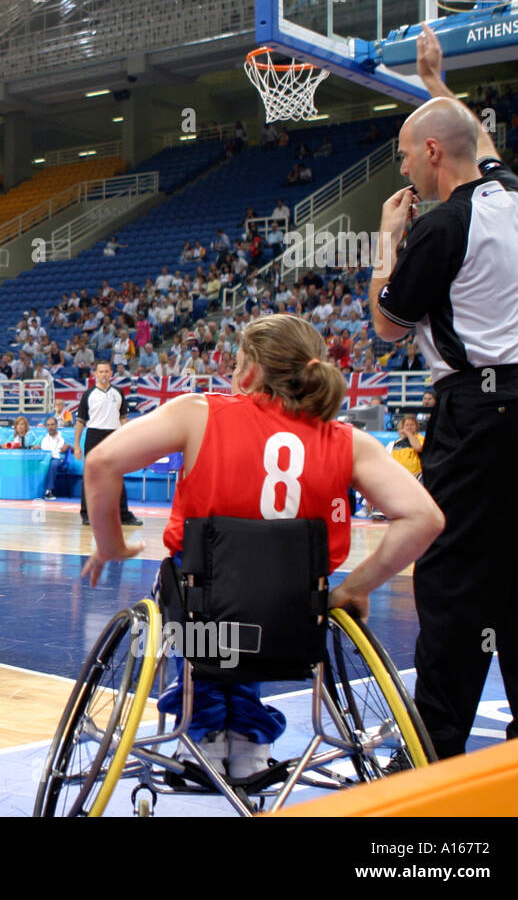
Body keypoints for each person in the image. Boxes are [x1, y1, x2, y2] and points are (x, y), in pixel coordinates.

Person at [81, 314, 444, 778]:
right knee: (258, 601)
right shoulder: (350, 442)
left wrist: (110, 544)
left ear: (250, 370)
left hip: (202, 616)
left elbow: (101, 462)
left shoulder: (199, 413)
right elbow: (425, 518)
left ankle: (204, 729)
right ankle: (250, 737)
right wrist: (356, 585)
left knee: (202, 592)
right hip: (291, 623)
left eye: (236, 362)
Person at [368, 23, 518, 758]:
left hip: (480, 414)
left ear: (432, 154)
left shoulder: (441, 228)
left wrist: (384, 242)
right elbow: (479, 140)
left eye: (406, 152)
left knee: (452, 578)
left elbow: (385, 326)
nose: (403, 165)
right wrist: (436, 82)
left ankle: (434, 746)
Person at [74, 362, 140, 527]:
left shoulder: (118, 393)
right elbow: (80, 422)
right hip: (94, 434)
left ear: (111, 373)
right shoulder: (88, 394)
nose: (103, 374)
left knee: (117, 474)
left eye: (106, 371)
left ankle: (124, 514)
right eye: (100, 371)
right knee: (90, 476)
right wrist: (76, 445)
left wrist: (130, 440)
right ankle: (86, 514)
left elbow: (124, 419)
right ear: (95, 373)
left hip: (114, 435)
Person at [38, 417, 70, 500]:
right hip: (45, 460)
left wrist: (68, 446)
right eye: (48, 425)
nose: (50, 427)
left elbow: (73, 448)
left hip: (59, 459)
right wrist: (35, 447)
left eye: (52, 424)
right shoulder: (43, 437)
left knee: (53, 463)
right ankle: (36, 491)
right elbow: (33, 445)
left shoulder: (63, 436)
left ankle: (49, 490)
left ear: (56, 426)